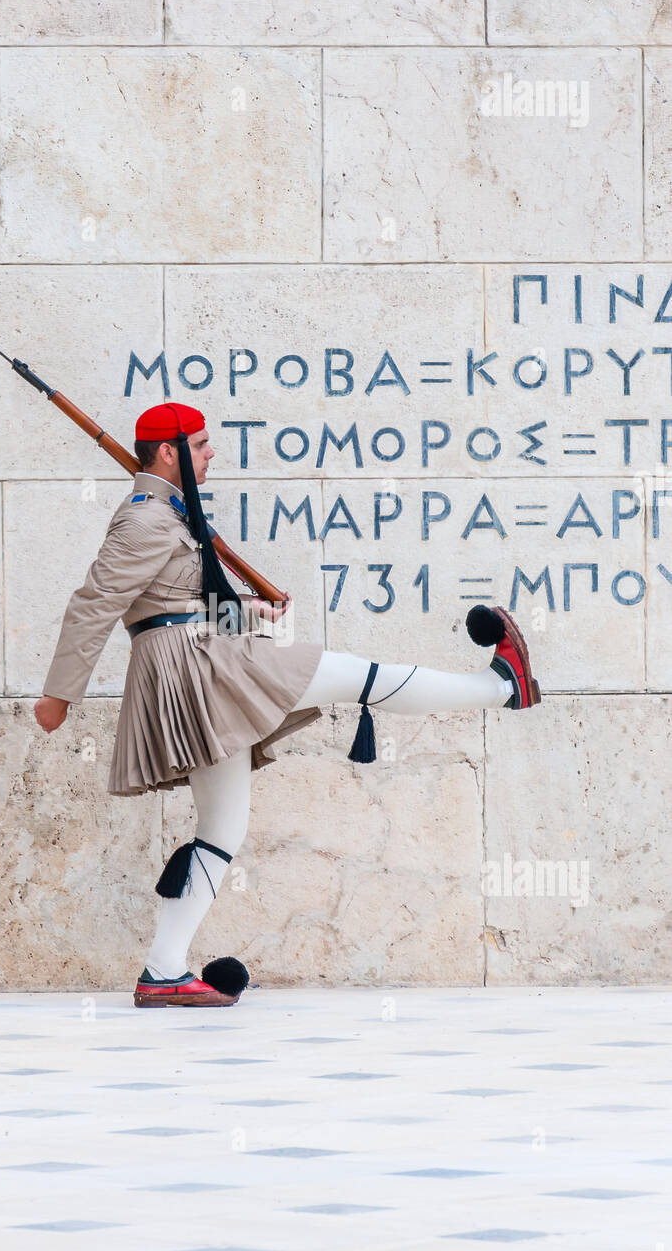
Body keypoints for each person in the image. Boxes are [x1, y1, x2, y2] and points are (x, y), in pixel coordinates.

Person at [34, 401, 541, 1008]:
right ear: (168, 453)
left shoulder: (167, 512)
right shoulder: (145, 518)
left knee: (221, 830)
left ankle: (163, 971)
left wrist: (250, 612)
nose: (210, 452)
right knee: (361, 675)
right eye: (198, 444)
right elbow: (96, 603)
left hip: (196, 657)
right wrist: (59, 696)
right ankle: (501, 686)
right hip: (201, 667)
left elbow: (168, 600)